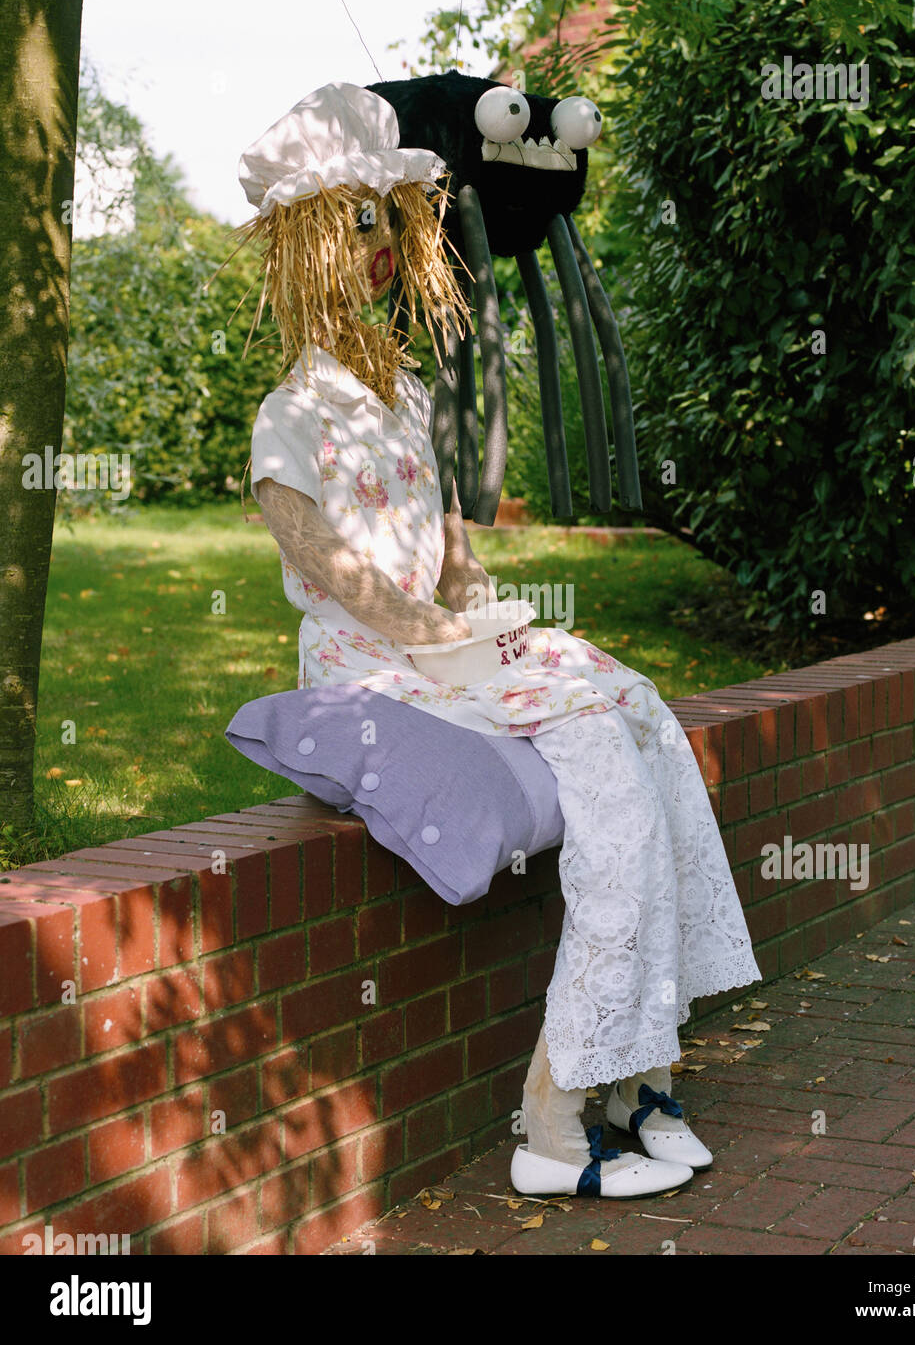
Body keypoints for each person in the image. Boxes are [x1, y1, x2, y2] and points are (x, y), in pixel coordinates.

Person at [235, 82, 763, 1199]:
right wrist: (460, 645)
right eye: (356, 223)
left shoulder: (409, 393)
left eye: (392, 221)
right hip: (375, 671)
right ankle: (553, 1115)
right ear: (305, 245)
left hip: (446, 650)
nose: (380, 249)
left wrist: (494, 622)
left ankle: (641, 1073)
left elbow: (452, 554)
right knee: (602, 776)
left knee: (644, 718)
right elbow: (347, 579)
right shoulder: (287, 416)